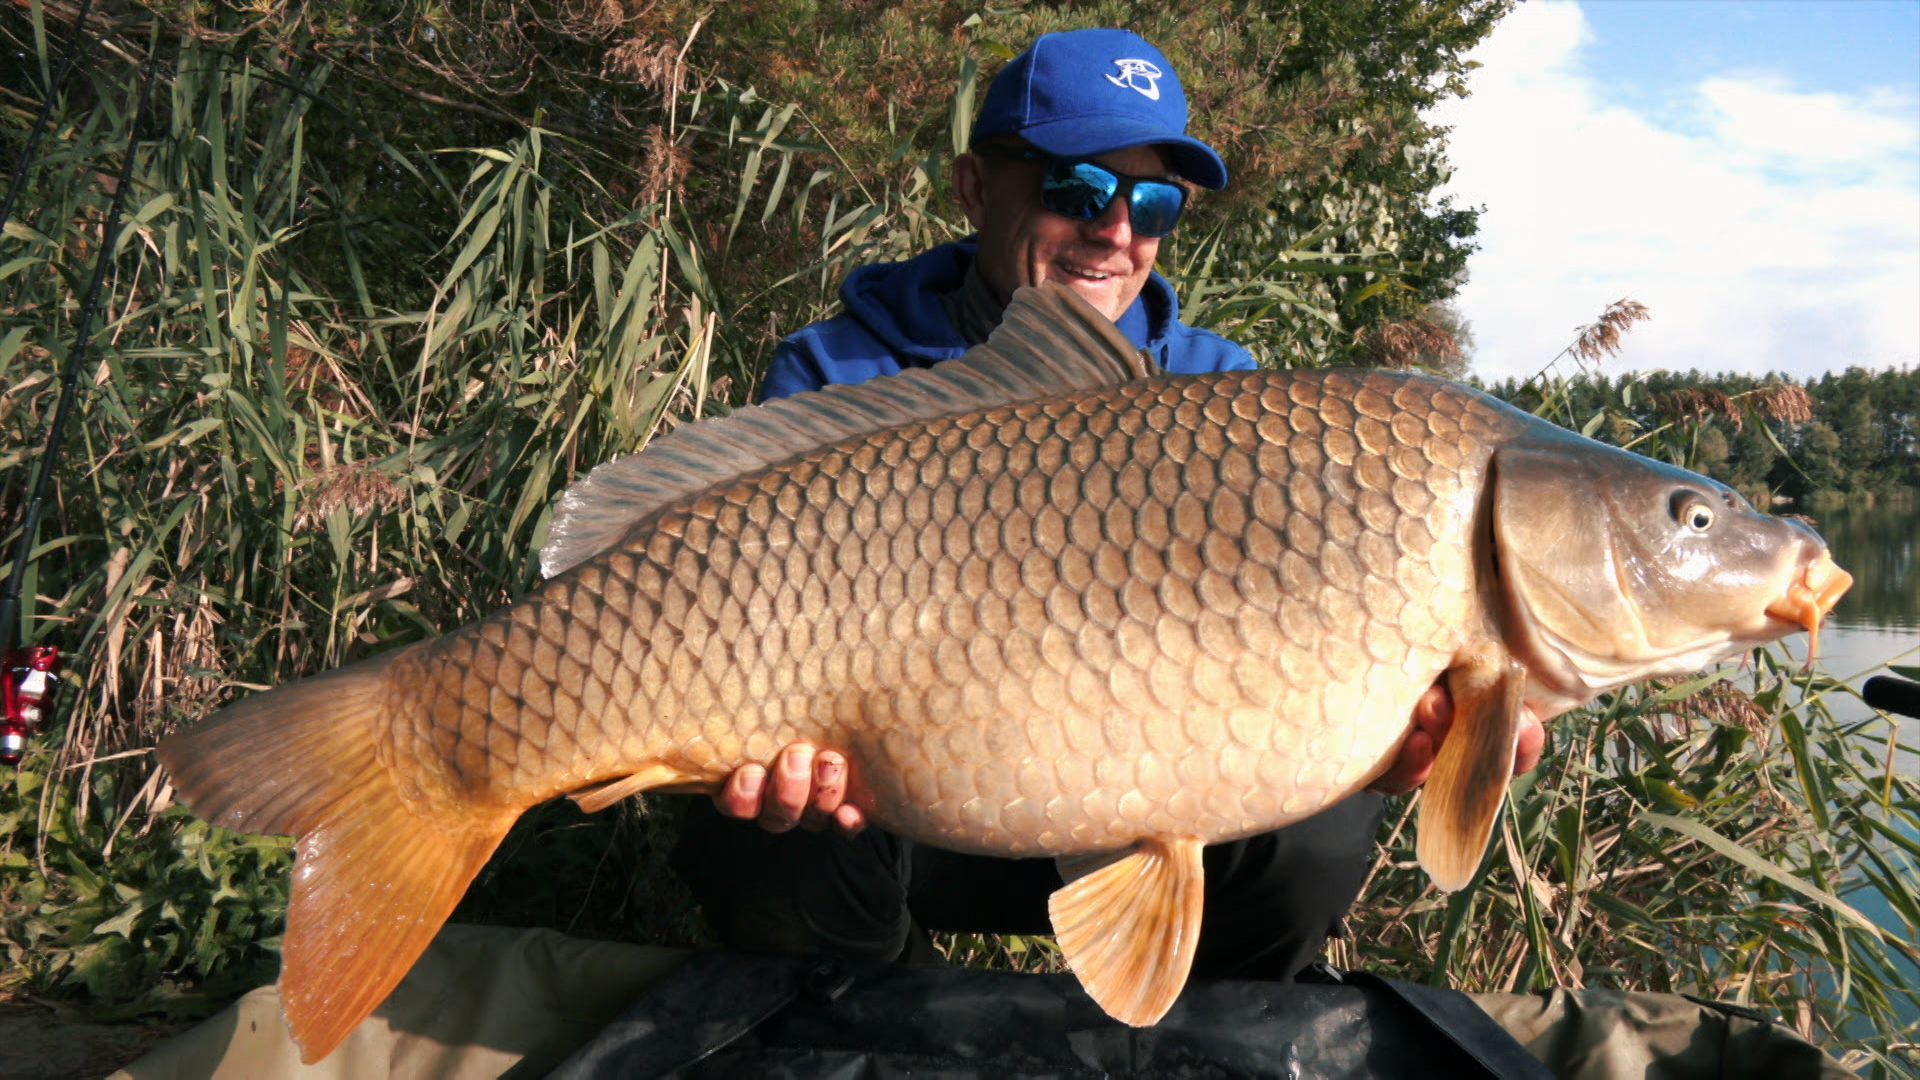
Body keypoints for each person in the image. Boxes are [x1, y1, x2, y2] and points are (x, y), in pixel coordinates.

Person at [670, 28, 1544, 982]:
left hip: (1157, 808)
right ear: (974, 188)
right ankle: (887, 1025)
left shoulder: (1233, 399)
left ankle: (1193, 1039)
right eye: (1076, 189)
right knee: (760, 830)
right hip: (905, 812)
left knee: (1322, 830)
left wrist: (1388, 745)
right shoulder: (839, 374)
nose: (1117, 230)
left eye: (1154, 201)